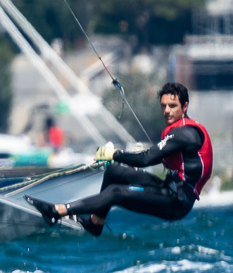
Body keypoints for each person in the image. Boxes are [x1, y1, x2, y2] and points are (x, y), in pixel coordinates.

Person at [29, 82, 213, 236]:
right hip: (167, 189)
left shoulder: (186, 134)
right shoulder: (178, 132)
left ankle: (57, 211)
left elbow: (145, 160)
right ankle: (96, 222)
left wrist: (114, 154)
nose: (166, 111)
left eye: (172, 106)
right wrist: (119, 158)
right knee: (114, 171)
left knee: (116, 192)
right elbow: (152, 157)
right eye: (163, 106)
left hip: (177, 202)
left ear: (185, 107)